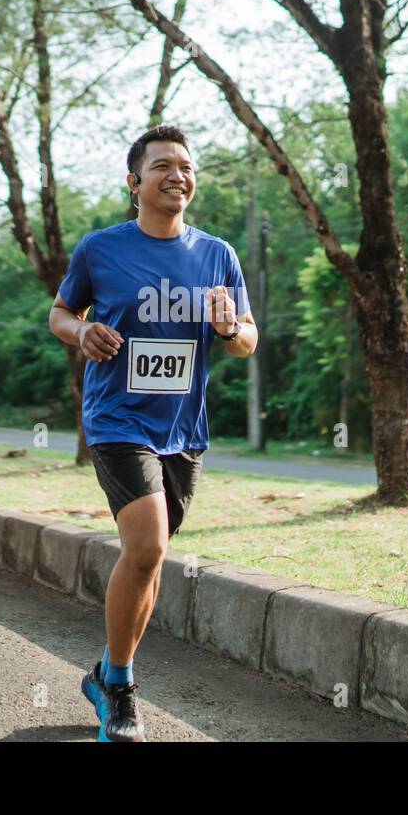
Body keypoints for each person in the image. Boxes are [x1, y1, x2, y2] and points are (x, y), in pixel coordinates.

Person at [49, 124, 257, 742]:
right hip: (117, 421)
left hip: (183, 430)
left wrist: (227, 329)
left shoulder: (216, 254)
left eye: (186, 166)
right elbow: (61, 312)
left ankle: (104, 673)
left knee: (150, 557)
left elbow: (248, 340)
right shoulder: (100, 249)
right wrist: (80, 333)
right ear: (134, 181)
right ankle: (120, 688)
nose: (178, 175)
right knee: (147, 547)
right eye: (163, 165)